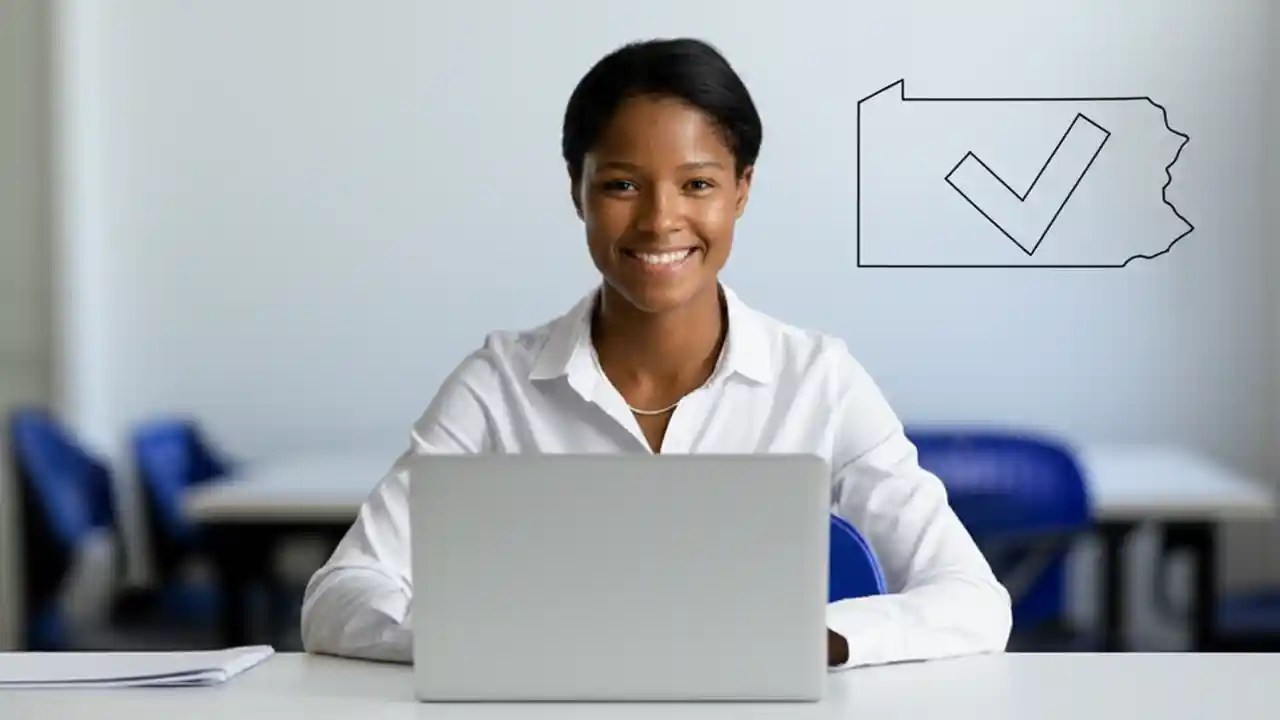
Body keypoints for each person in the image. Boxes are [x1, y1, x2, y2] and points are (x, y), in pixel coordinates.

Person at [300, 37, 1011, 669]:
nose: (660, 219)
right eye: (621, 185)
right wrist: (492, 635)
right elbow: (340, 596)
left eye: (697, 184)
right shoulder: (499, 387)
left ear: (741, 192)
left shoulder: (817, 380)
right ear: (577, 193)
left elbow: (973, 600)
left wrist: (809, 636)